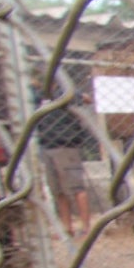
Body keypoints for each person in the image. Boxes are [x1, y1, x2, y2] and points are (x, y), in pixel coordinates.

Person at [34, 86, 93, 238]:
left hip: (66, 145)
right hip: (47, 145)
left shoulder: (64, 92)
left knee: (77, 188)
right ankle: (67, 228)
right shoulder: (39, 95)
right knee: (58, 191)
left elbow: (87, 98)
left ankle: (86, 228)